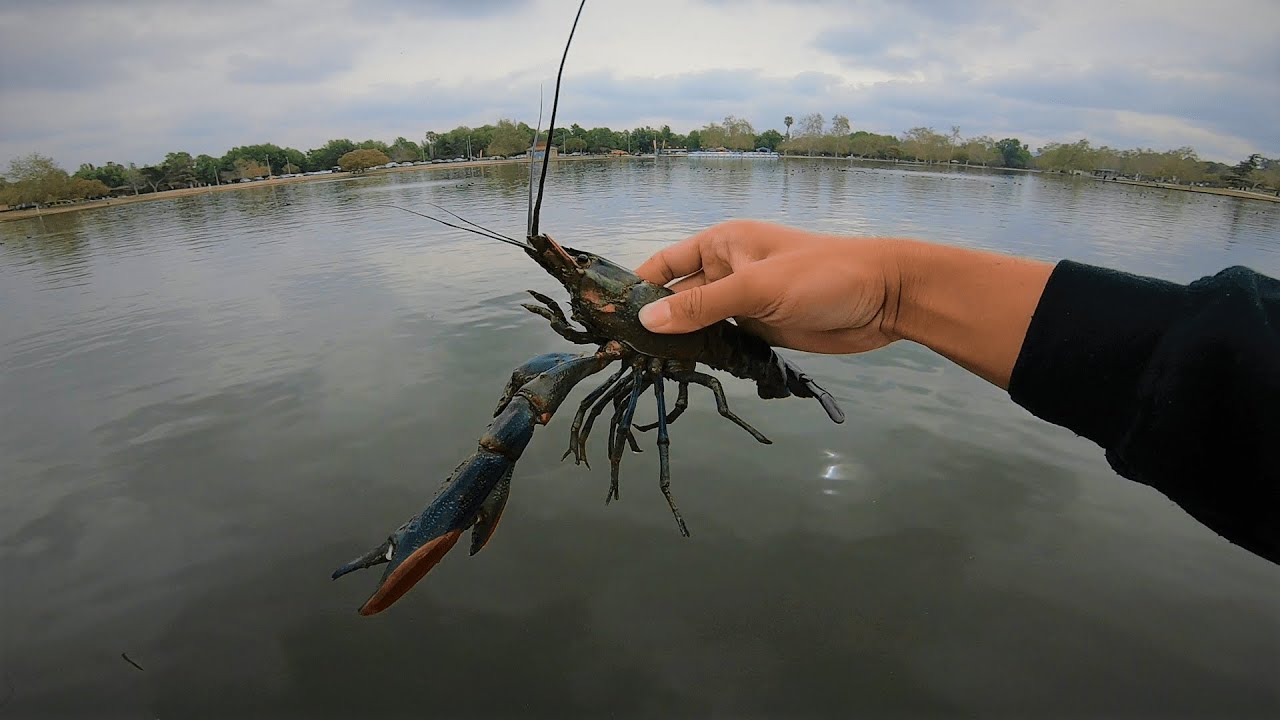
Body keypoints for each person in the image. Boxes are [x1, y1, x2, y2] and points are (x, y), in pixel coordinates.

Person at [633, 220, 1278, 565]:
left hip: (752, 360)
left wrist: (895, 290)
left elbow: (1216, 371)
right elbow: (1222, 366)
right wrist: (891, 291)